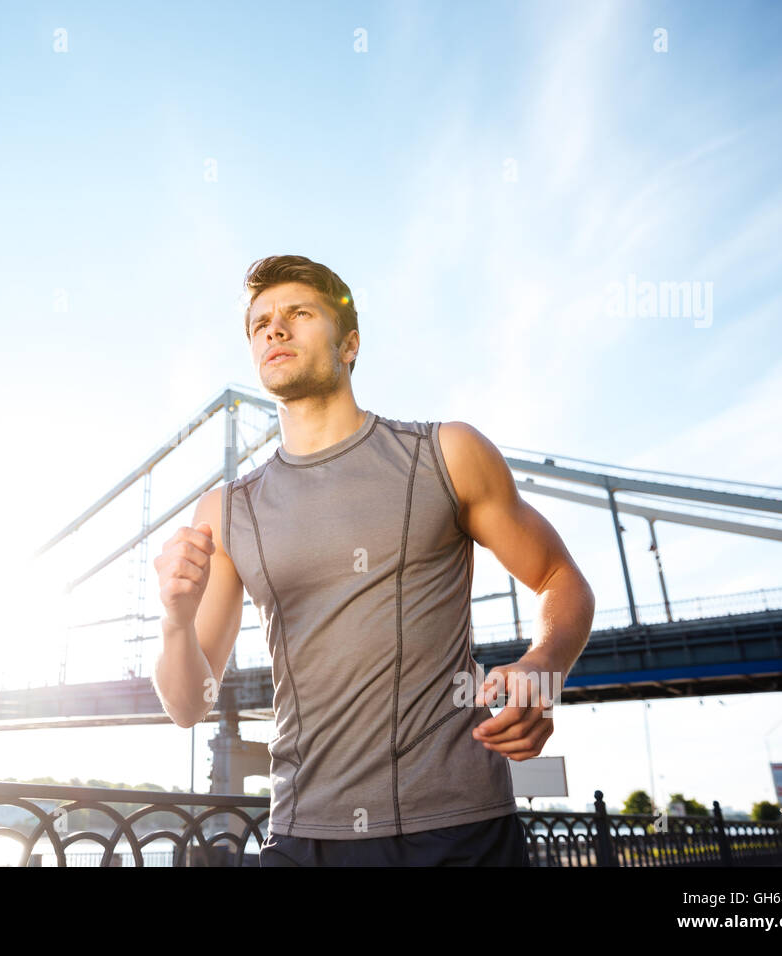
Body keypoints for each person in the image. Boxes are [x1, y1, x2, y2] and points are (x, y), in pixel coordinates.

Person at [151, 255, 595, 866]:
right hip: (304, 837)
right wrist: (175, 620)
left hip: (459, 830)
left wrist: (545, 668)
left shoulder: (447, 453)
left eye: (298, 314)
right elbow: (188, 705)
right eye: (260, 324)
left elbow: (558, 578)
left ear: (350, 343)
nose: (274, 330)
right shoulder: (224, 512)